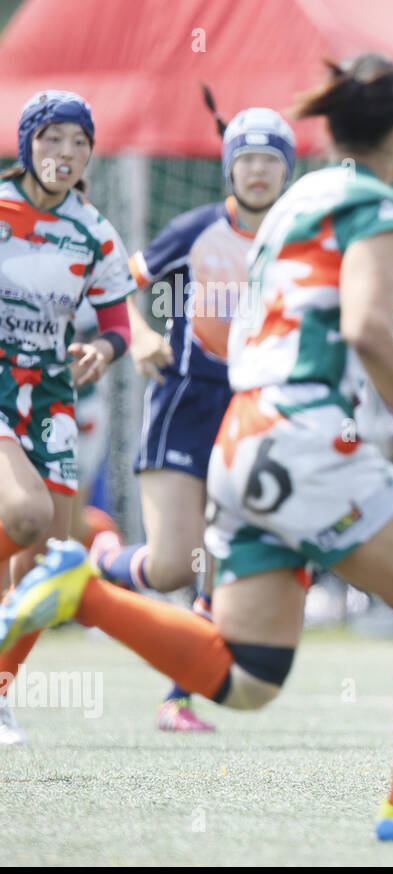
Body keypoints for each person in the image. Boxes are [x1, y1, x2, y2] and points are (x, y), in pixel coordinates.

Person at [0, 54, 393, 840]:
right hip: (308, 439)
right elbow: (365, 329)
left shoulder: (294, 207)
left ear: (324, 136)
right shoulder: (375, 205)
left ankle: (84, 590)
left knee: (248, 677)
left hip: (241, 437)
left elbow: (299, 314)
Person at [89, 104, 296, 733]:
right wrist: (141, 335)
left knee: (222, 556)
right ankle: (99, 561)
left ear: (287, 170)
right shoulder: (196, 229)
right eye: (246, 158)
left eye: (269, 159)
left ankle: (177, 700)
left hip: (257, 409)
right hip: (186, 402)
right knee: (175, 565)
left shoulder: (302, 237)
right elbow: (116, 284)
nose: (257, 170)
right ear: (229, 167)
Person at [0, 91, 135, 746]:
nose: (66, 151)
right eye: (52, 137)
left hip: (51, 395)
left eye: (79, 141)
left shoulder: (94, 231)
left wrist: (104, 349)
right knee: (24, 515)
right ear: (27, 145)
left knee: (48, 562)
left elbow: (118, 324)